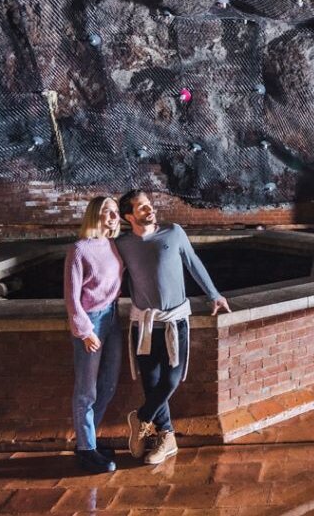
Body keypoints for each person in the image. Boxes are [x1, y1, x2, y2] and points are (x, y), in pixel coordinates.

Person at [116, 189, 230, 465]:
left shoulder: (173, 232)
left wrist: (214, 294)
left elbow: (194, 264)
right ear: (128, 216)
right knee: (151, 382)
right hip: (143, 324)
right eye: (141, 208)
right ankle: (166, 437)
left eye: (149, 205)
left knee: (171, 379)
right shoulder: (123, 245)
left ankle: (141, 417)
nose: (149, 209)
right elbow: (107, 275)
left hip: (174, 321)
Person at [64, 196, 124, 473]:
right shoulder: (79, 250)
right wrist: (85, 331)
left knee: (109, 384)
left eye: (115, 212)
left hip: (112, 317)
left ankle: (89, 439)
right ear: (94, 215)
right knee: (86, 390)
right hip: (92, 322)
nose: (113, 216)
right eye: (106, 212)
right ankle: (86, 449)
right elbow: (72, 298)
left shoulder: (111, 244)